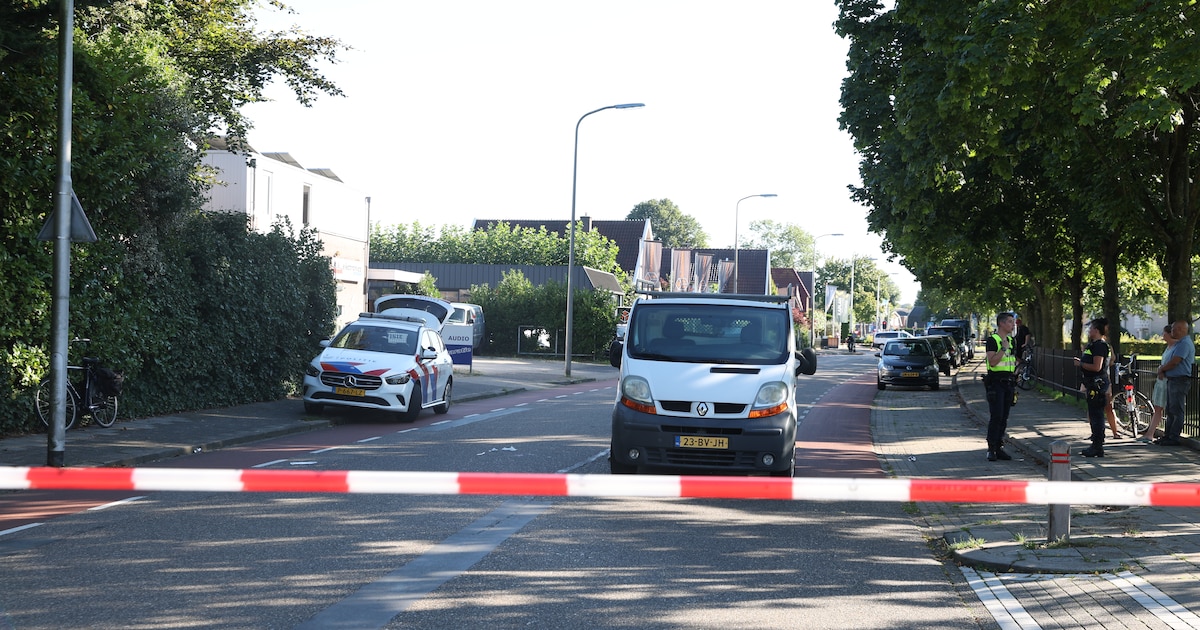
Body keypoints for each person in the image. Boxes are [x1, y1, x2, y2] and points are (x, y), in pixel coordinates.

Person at [1155, 319, 1195, 446]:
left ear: (1180, 329)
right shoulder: (1179, 343)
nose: (1171, 331)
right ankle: (1168, 435)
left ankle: (1174, 437)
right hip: (1173, 379)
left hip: (1180, 379)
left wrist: (1162, 369)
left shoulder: (1184, 344)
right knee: (1170, 409)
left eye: (1173, 329)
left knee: (1176, 409)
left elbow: (1175, 361)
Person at [984, 312, 1017, 461]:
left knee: (1004, 417)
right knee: (996, 416)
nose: (1013, 324)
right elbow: (992, 362)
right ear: (1002, 324)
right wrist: (1003, 349)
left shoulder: (1011, 340)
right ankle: (991, 448)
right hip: (996, 382)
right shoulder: (993, 340)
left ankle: (999, 446)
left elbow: (1013, 361)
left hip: (1009, 382)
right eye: (1010, 322)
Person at [1075, 318, 1110, 457]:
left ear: (1096, 330)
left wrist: (1081, 364)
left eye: (1091, 329)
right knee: (1094, 414)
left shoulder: (1099, 346)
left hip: (1097, 384)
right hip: (1092, 383)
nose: (1089, 331)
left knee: (1096, 415)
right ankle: (1096, 443)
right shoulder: (1093, 345)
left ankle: (1097, 445)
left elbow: (1097, 367)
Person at [1141, 325, 1175, 441]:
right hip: (1161, 381)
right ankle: (1150, 432)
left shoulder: (1174, 347)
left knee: (1160, 408)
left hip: (1166, 380)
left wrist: (1162, 370)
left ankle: (1150, 434)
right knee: (1158, 407)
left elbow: (1172, 363)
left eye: (1164, 333)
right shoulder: (1168, 347)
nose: (1162, 335)